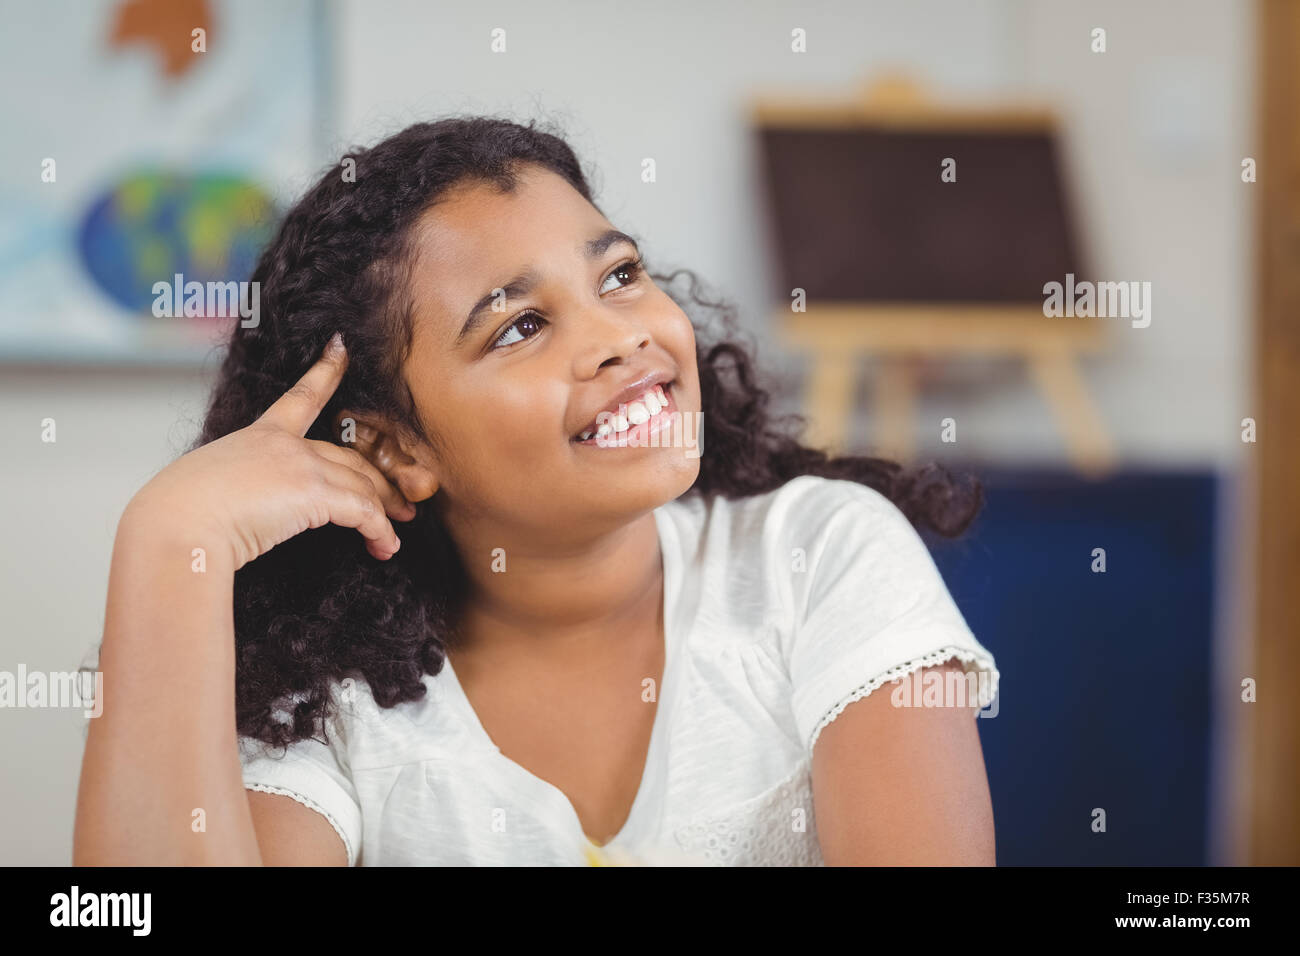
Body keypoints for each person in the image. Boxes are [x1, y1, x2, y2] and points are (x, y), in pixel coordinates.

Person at [73, 116, 999, 866]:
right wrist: (168, 542)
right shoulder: (331, 704)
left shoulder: (823, 554)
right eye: (520, 327)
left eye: (621, 275)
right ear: (396, 449)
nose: (616, 338)